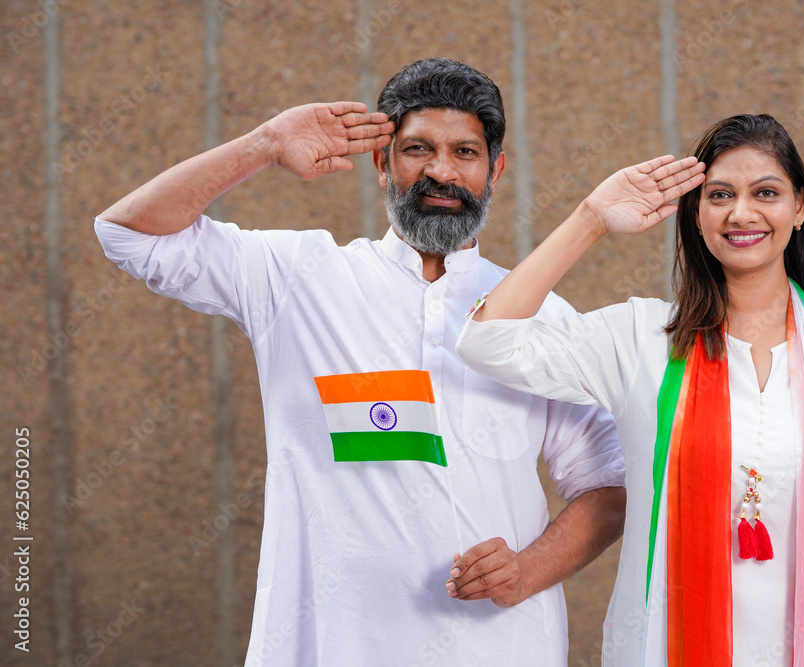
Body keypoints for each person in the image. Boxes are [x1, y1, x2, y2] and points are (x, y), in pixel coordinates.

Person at [94, 58, 627, 666]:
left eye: (465, 153)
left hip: (502, 648)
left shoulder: (540, 314)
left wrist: (528, 570)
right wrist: (264, 145)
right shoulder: (298, 279)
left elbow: (609, 482)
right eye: (417, 149)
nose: (440, 171)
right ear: (381, 163)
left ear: (496, 169)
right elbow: (130, 234)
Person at [456, 114, 804, 666]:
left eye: (766, 192)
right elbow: (487, 342)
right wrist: (590, 219)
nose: (742, 213)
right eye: (719, 195)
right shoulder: (642, 339)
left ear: (800, 207)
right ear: (696, 213)